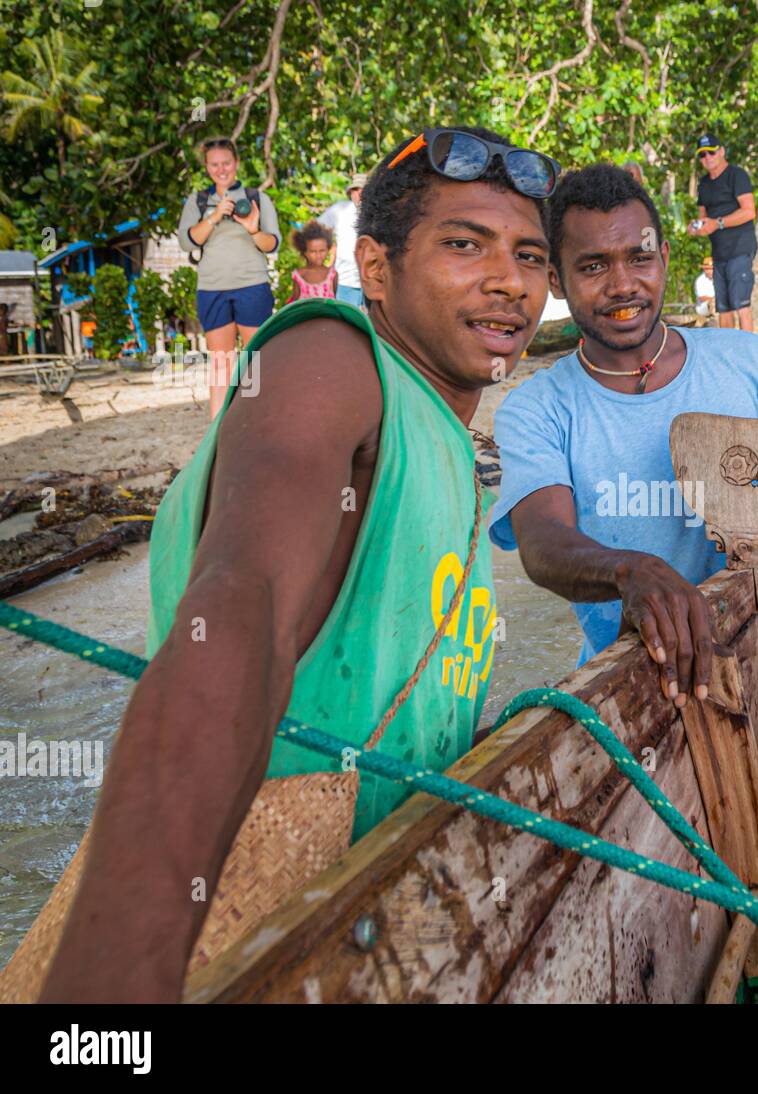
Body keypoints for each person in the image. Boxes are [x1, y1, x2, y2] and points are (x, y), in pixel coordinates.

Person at [39, 125, 558, 1003]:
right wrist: (110, 995)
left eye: (531, 255)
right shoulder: (330, 360)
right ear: (376, 269)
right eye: (465, 245)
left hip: (371, 923)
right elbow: (235, 618)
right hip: (260, 920)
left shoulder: (445, 441)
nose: (510, 281)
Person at [489, 164, 758, 707]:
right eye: (593, 266)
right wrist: (630, 572)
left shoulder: (750, 364)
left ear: (666, 259)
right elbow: (541, 545)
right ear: (557, 280)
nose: (623, 285)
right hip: (627, 690)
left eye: (639, 258)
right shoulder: (535, 409)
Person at [177, 136, 281, 418]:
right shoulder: (197, 201)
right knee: (221, 362)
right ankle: (217, 429)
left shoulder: (256, 198)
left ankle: (255, 421)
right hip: (213, 288)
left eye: (226, 163)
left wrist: (252, 228)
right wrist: (214, 216)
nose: (220, 169)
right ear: (207, 167)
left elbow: (273, 244)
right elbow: (188, 242)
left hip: (252, 285)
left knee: (253, 360)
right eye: (214, 164)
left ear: (236, 163)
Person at [687, 134, 757, 331]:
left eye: (712, 152)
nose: (708, 158)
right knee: (723, 308)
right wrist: (696, 227)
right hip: (719, 254)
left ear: (722, 151)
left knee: (742, 305)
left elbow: (749, 211)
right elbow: (703, 217)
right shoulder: (704, 184)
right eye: (703, 155)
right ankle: (728, 353)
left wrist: (717, 223)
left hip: (740, 249)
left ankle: (747, 353)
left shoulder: (737, 175)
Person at [320, 172, 368, 308]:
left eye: (363, 189)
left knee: (373, 327)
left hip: (372, 282)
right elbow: (317, 230)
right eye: (356, 189)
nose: (359, 193)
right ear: (351, 192)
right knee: (346, 325)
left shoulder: (379, 211)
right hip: (346, 283)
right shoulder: (340, 209)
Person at [286, 220, 338, 302]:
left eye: (322, 250)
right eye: (313, 251)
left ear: (328, 249)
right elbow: (295, 304)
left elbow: (335, 301)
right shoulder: (299, 275)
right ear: (304, 252)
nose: (318, 255)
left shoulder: (332, 275)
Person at [694, 256, 715, 321]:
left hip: (716, 304)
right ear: (704, 270)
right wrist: (714, 299)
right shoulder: (700, 280)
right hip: (703, 307)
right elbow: (702, 298)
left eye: (711, 269)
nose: (709, 271)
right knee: (712, 303)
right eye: (707, 269)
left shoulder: (718, 279)